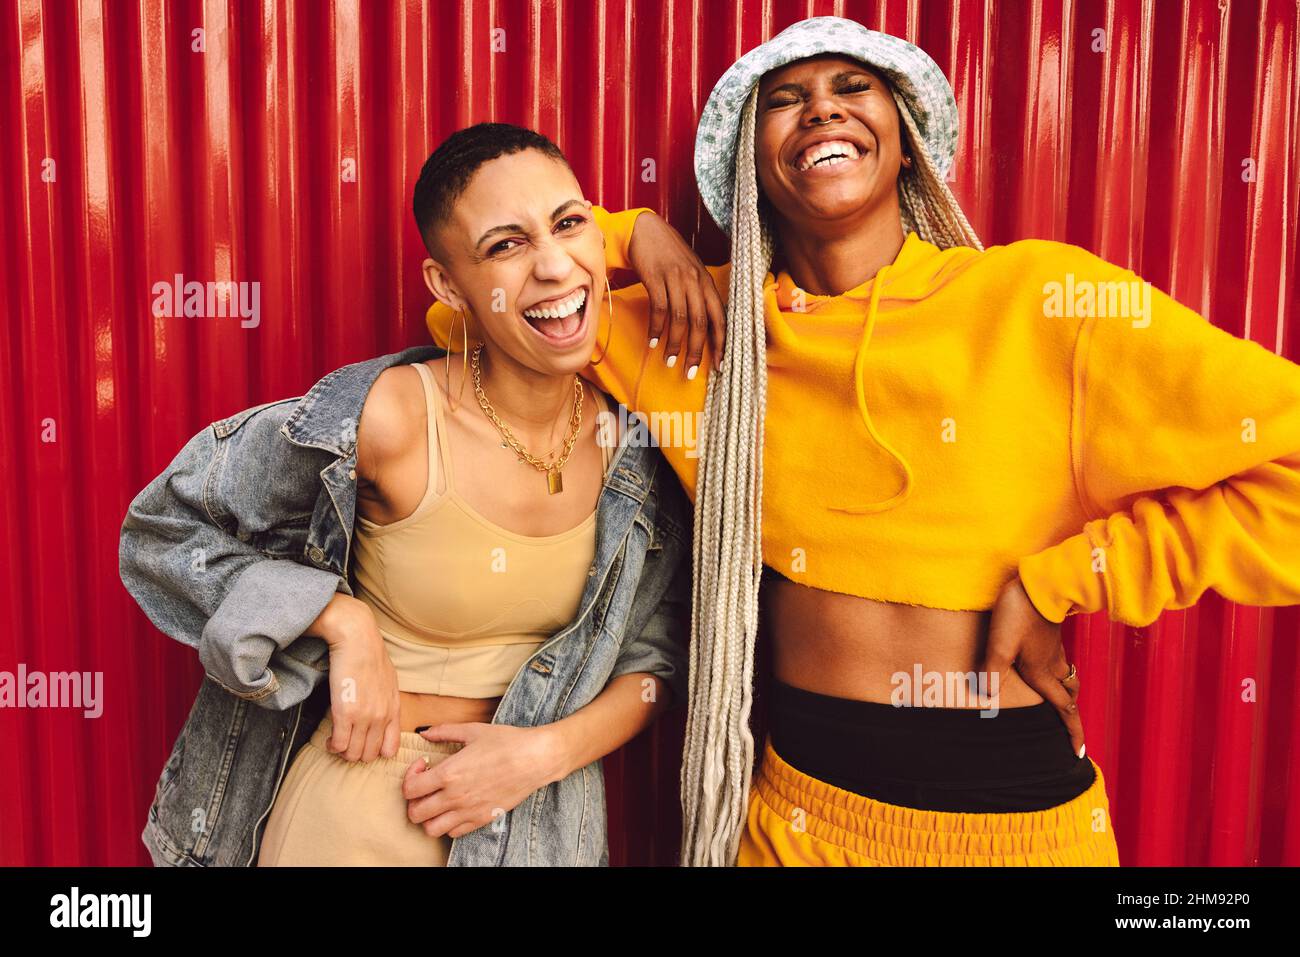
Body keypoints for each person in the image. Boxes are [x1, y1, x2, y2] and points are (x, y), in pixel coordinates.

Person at [427, 16, 1300, 866]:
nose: (823, 109)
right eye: (787, 99)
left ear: (909, 140)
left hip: (1011, 828)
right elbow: (472, 317)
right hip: (793, 820)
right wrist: (623, 231)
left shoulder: (1039, 300)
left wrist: (1066, 580)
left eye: (854, 89)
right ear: (744, 165)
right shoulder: (700, 331)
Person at [120, 123, 701, 866]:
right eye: (505, 245)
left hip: (536, 830)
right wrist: (338, 620)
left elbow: (654, 659)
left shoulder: (636, 449)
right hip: (359, 815)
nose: (555, 265)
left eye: (568, 223)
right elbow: (162, 529)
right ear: (449, 285)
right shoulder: (391, 417)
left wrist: (540, 754)